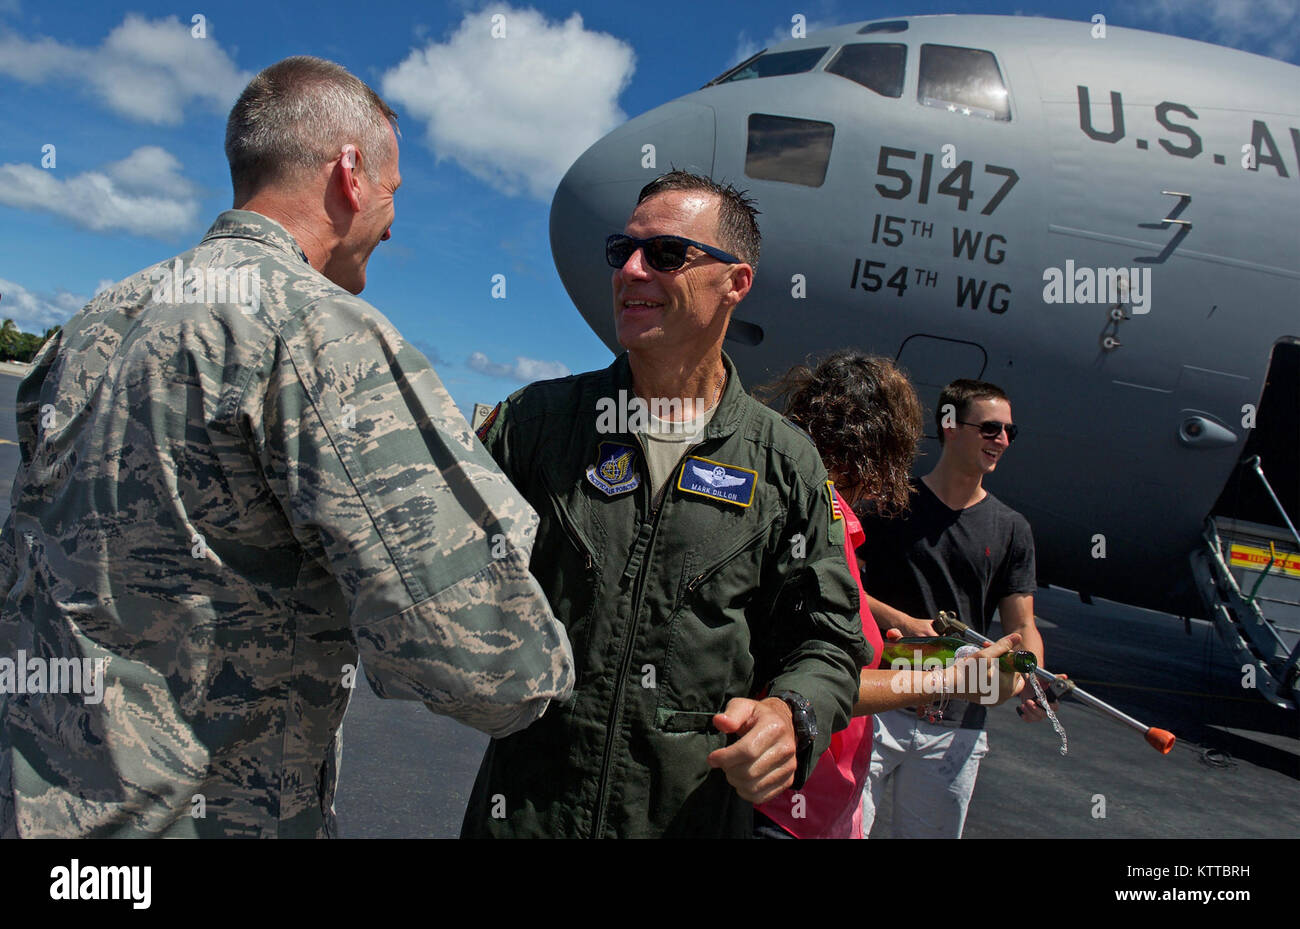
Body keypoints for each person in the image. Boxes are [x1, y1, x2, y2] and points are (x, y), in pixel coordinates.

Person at [0, 56, 574, 839]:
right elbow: (484, 659)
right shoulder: (316, 329)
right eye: (392, 191)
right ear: (350, 174)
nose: (393, 221)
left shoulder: (92, 323)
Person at [461, 171, 869, 838]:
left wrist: (793, 714)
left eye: (666, 254)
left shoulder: (786, 464)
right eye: (622, 250)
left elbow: (827, 638)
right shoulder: (538, 422)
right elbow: (436, 560)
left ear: (735, 282)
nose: (630, 269)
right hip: (526, 817)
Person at [753, 353, 1023, 839]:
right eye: (989, 427)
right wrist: (951, 679)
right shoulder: (818, 526)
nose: (1001, 440)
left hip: (813, 802)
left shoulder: (822, 520)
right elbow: (822, 682)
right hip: (786, 808)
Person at [858, 378, 1050, 839]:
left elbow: (1022, 622)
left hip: (956, 728)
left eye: (1008, 431)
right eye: (989, 428)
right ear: (949, 425)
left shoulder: (1011, 528)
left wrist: (1030, 675)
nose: (1001, 440)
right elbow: (843, 586)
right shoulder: (888, 505)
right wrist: (901, 621)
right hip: (878, 710)